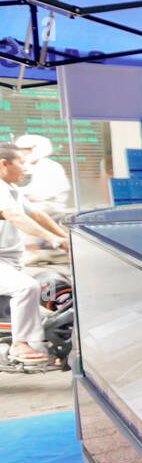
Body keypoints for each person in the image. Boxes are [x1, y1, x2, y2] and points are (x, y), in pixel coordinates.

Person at [0, 144, 69, 365]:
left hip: (10, 262)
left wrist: (67, 239)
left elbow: (37, 215)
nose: (26, 168)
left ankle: (49, 348)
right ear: (4, 164)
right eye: (21, 162)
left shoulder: (12, 189)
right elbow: (15, 217)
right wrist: (54, 240)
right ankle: (20, 345)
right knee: (26, 287)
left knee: (46, 284)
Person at [14, 134, 71, 223]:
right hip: (38, 213)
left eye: (24, 150)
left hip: (50, 214)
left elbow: (38, 195)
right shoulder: (32, 166)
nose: (21, 153)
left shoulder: (48, 166)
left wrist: (15, 193)